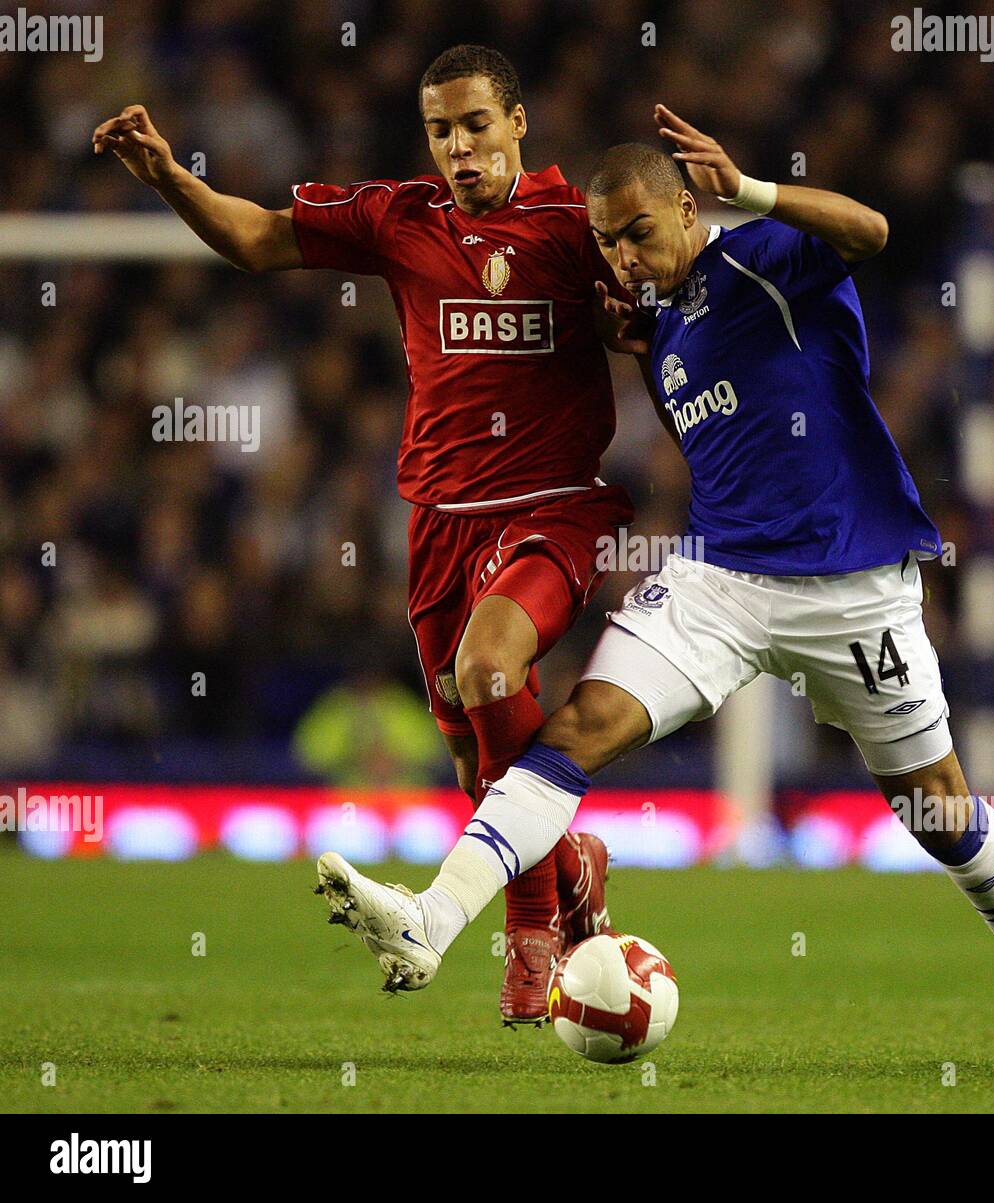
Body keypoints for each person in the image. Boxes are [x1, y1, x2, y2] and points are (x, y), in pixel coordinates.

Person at [315, 107, 994, 1071]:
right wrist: (644, 351)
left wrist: (755, 190)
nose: (625, 256)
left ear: (691, 209)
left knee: (935, 809)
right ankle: (429, 921)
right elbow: (715, 449)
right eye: (607, 242)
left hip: (851, 586)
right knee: (575, 728)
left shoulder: (765, 256)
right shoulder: (666, 329)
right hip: (718, 581)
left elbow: (874, 232)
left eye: (640, 231)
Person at [93, 44, 635, 1025]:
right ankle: (573, 872)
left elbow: (670, 280)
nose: (459, 148)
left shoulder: (574, 224)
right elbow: (260, 239)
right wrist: (172, 176)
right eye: (440, 131)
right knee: (481, 773)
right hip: (435, 525)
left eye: (476, 125)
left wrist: (643, 318)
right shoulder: (401, 218)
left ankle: (530, 933)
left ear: (518, 123)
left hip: (553, 507)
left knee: (490, 670)